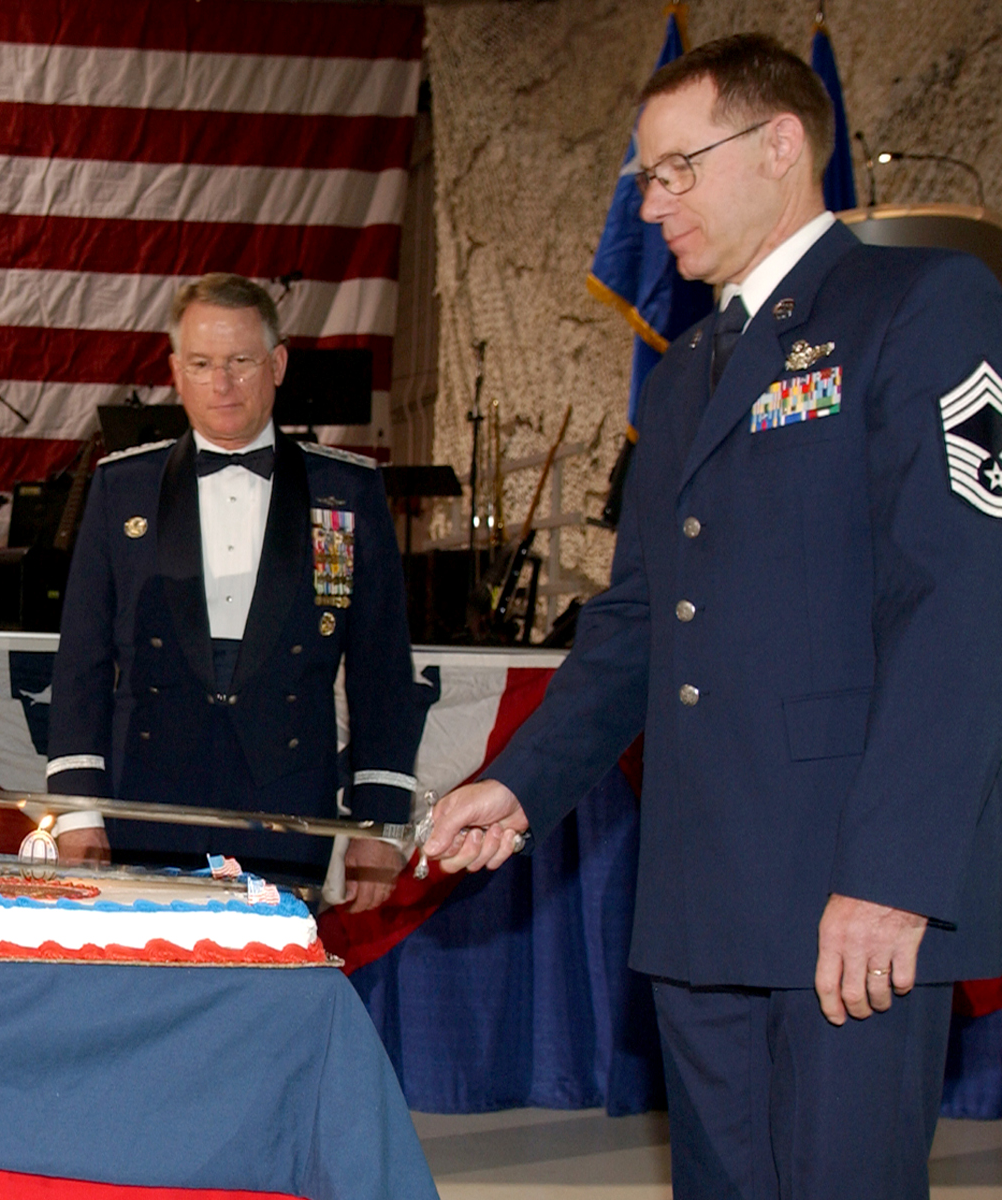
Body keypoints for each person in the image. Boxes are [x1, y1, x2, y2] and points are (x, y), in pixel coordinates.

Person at [423, 34, 1002, 1200]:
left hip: (849, 887)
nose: (653, 203)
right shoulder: (688, 368)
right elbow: (637, 618)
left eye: (677, 169)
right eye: (646, 177)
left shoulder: (922, 303)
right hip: (702, 892)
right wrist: (520, 783)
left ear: (781, 146)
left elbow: (962, 602)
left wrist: (896, 876)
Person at [46, 273, 425, 910]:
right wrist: (77, 810)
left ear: (276, 364)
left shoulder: (348, 493)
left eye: (241, 361)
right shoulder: (123, 489)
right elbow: (81, 662)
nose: (221, 384)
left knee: (274, 997)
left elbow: (383, 671)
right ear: (176, 370)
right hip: (148, 795)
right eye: (202, 363)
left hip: (286, 798)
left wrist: (380, 822)